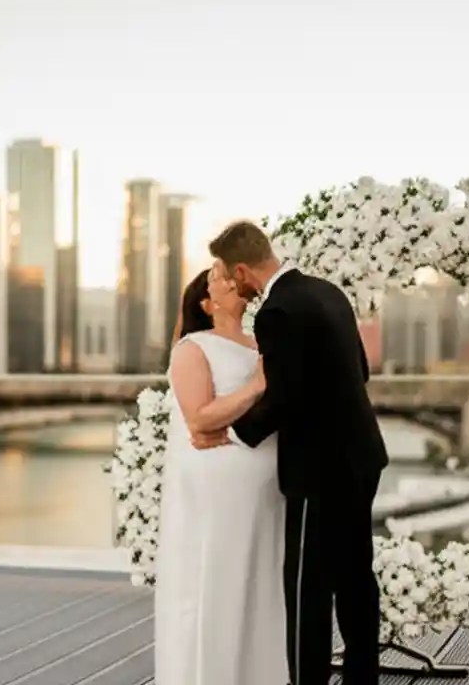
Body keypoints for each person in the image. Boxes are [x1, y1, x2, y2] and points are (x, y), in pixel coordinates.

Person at [203, 221, 389, 685]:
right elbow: (360, 371)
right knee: (355, 574)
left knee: (308, 584)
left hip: (320, 469)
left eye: (229, 273)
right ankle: (362, 677)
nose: (230, 281)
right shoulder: (329, 292)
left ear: (243, 269)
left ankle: (308, 680)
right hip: (363, 455)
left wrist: (234, 432)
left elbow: (283, 396)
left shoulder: (277, 312)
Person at [154, 268, 289, 685]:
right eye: (222, 282)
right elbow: (200, 417)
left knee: (259, 586)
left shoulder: (261, 343)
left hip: (265, 495)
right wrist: (256, 386)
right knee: (216, 583)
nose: (233, 284)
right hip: (217, 495)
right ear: (205, 302)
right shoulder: (193, 348)